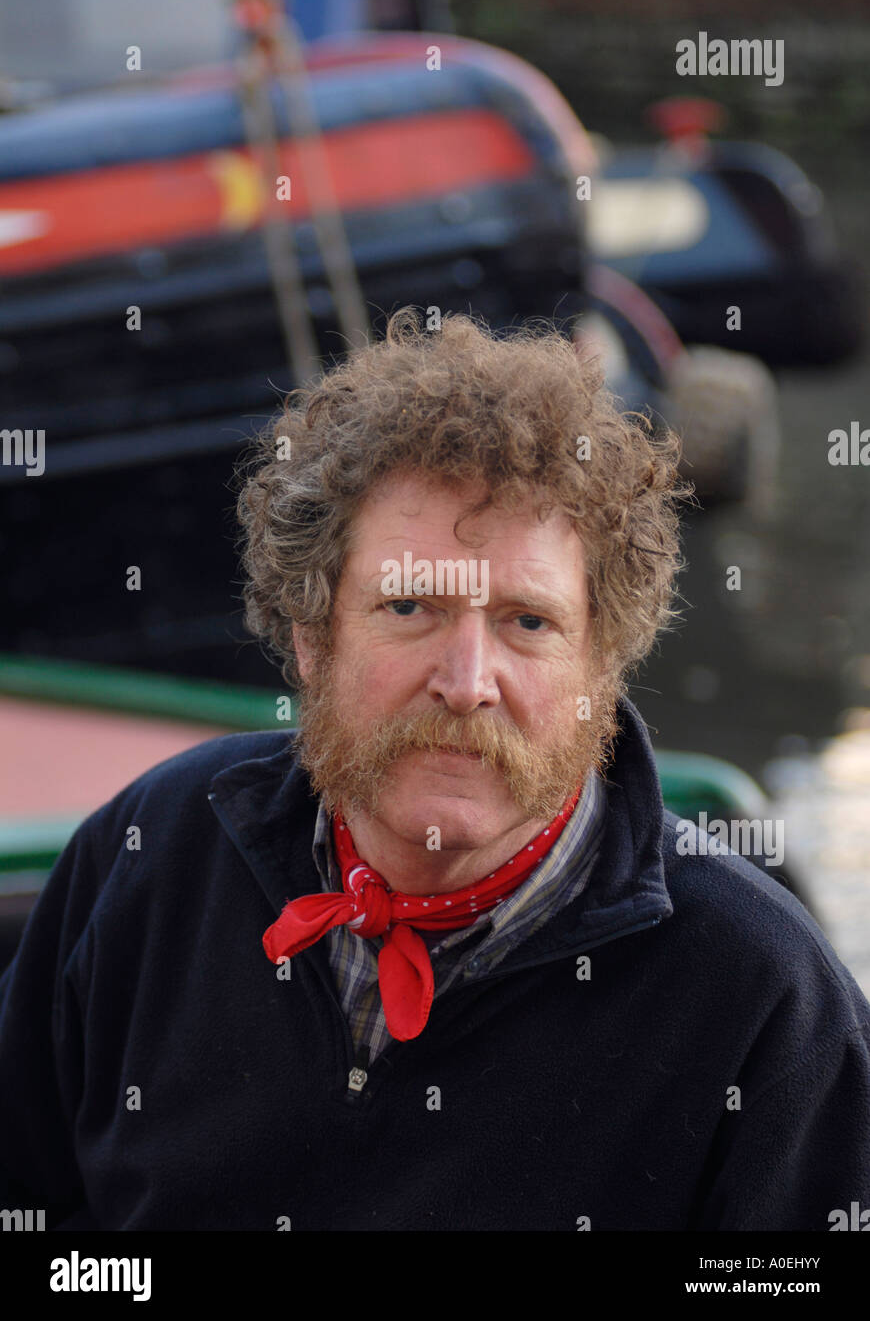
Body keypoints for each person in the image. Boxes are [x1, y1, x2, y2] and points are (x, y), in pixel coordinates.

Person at [1, 310, 868, 1231]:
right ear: (310, 639)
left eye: (527, 623)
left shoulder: (764, 1005)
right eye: (410, 606)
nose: (466, 684)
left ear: (601, 668)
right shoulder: (150, 857)